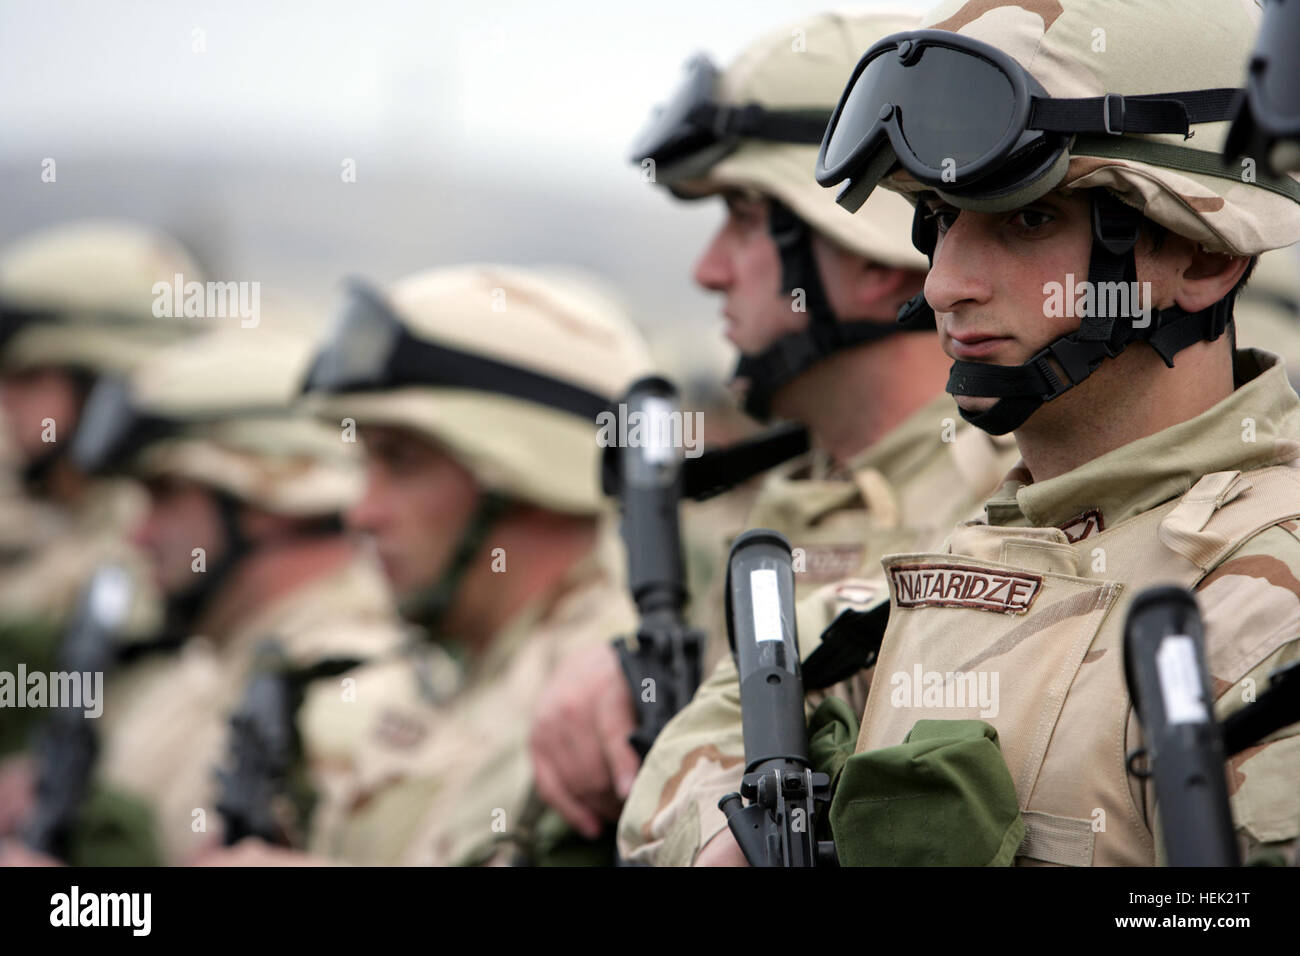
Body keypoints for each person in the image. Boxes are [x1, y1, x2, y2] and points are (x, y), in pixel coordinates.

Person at [714, 0, 1300, 866]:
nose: (947, 284)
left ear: (1204, 256)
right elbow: (710, 724)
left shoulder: (1264, 603)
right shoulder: (956, 564)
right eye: (942, 220)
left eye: (1028, 219)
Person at [530, 9, 1020, 855]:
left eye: (746, 218)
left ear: (867, 254)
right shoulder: (779, 508)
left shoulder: (1010, 509)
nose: (708, 269)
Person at [260, 263, 654, 866]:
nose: (362, 512)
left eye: (401, 462)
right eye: (367, 463)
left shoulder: (610, 702)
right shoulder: (460, 672)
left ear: (524, 474)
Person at [2, 323, 409, 866]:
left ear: (265, 497)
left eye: (166, 496)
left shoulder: (352, 692)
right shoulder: (207, 671)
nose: (137, 536)